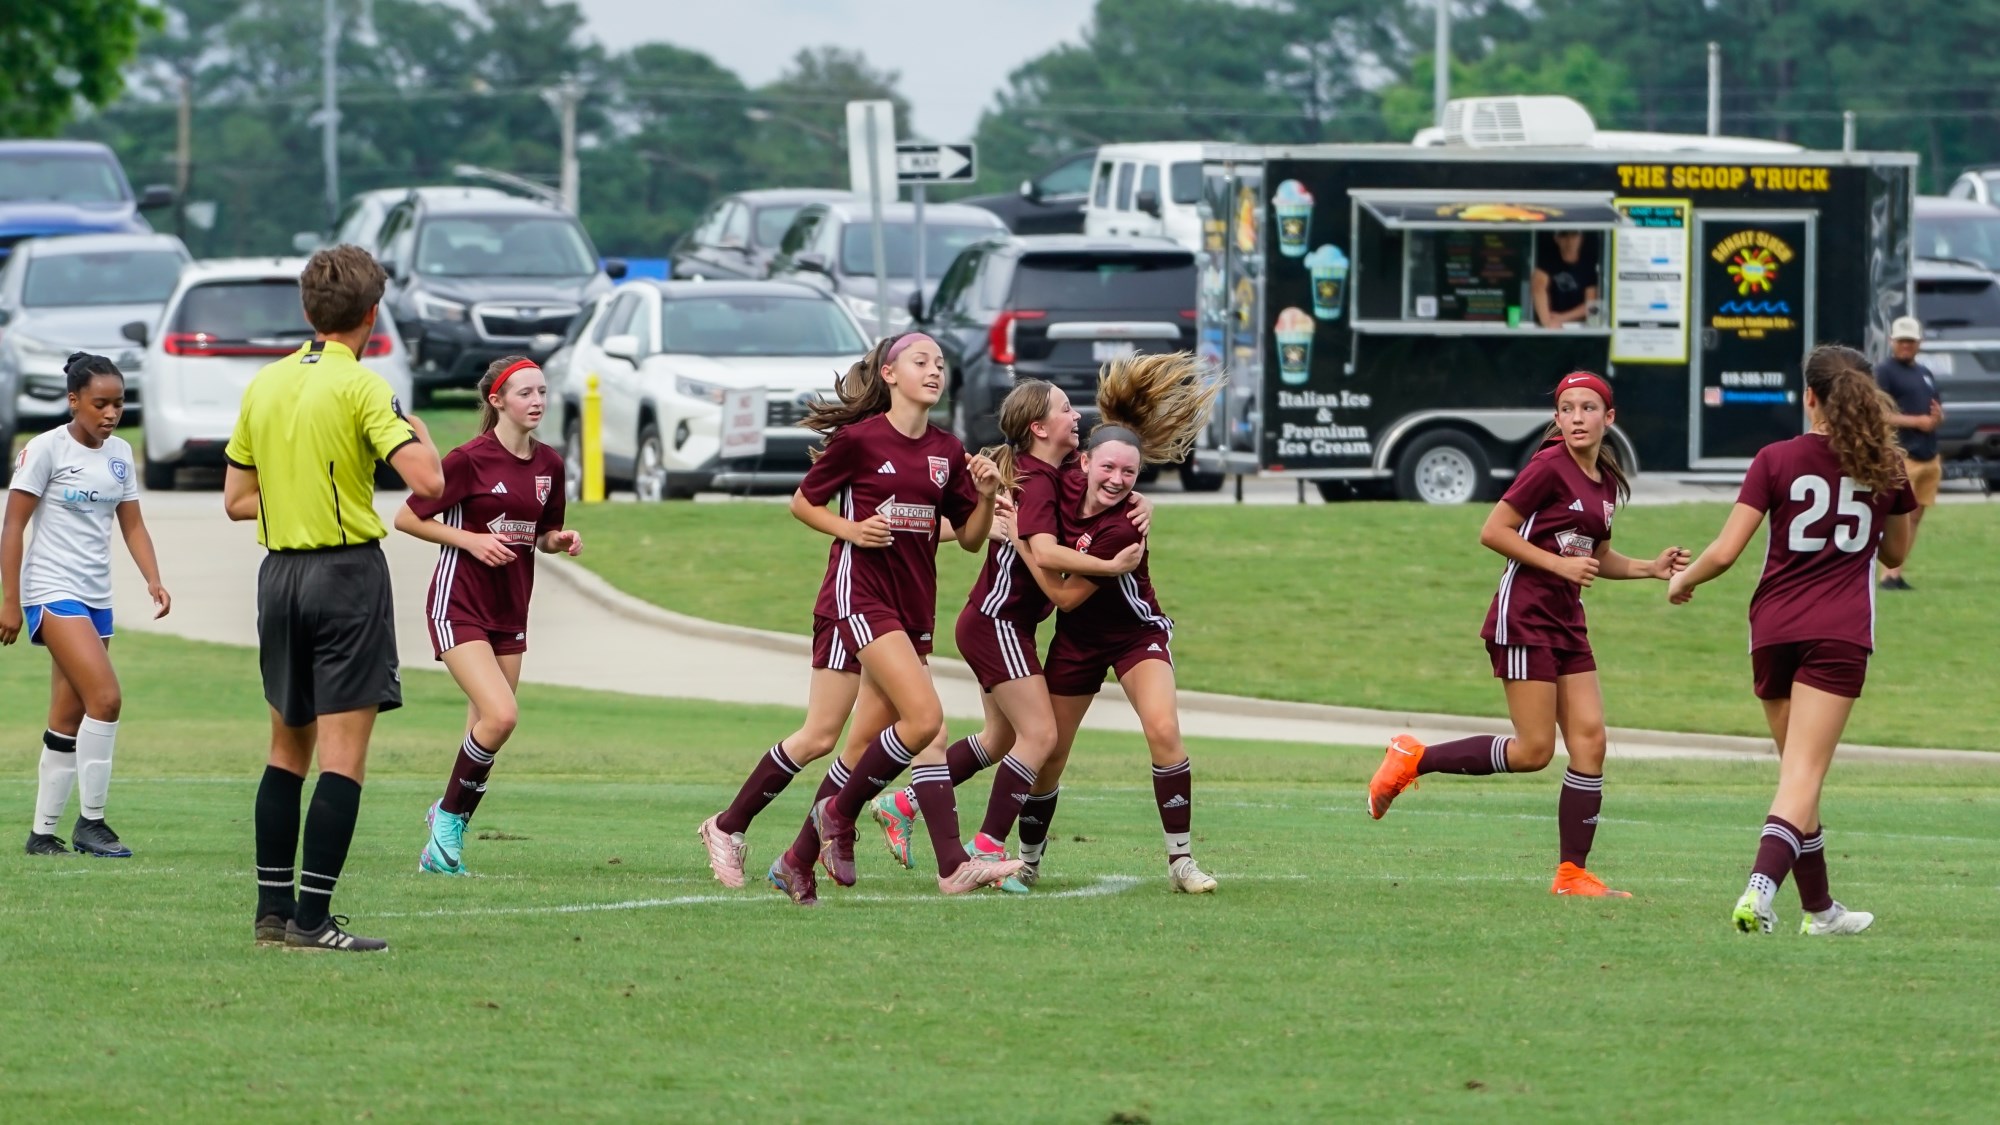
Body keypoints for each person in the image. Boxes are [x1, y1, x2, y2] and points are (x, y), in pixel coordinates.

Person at [1366, 372, 1689, 898]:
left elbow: (1597, 556)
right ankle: (1413, 758)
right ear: (1557, 419)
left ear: (1610, 419)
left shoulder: (1605, 481)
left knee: (1591, 742)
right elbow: (1493, 531)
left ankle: (1571, 874)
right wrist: (1559, 569)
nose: (1577, 417)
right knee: (1533, 751)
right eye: (1567, 408)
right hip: (1524, 617)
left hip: (1567, 621)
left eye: (1588, 408)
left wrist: (1650, 568)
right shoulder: (1548, 467)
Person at [224, 245, 445, 952]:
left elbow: (236, 500)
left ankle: (271, 911)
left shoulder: (265, 383)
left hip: (278, 576)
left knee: (286, 749)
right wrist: (419, 433)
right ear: (372, 315)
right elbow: (429, 481)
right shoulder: (364, 386)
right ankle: (313, 920)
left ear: (306, 310)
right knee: (342, 757)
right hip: (345, 574)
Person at [864, 379, 1150, 892]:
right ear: (1039, 428)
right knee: (1041, 736)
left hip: (995, 622)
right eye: (1065, 408)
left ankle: (902, 801)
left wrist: (1137, 495)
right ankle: (988, 849)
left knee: (1000, 739)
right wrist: (1107, 563)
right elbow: (1044, 554)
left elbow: (1096, 484)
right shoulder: (1037, 482)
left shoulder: (1054, 472)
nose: (1076, 414)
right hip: (997, 623)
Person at [1668, 346, 1914, 936]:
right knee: (1802, 777)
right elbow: (1897, 554)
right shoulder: (1887, 465)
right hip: (1839, 634)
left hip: (1772, 630)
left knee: (1797, 778)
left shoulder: (1774, 458)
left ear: (1809, 396)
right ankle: (1758, 892)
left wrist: (1683, 578)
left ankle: (1820, 910)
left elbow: (1726, 552)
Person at [1014, 353, 1224, 893]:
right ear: (1082, 463)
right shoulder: (1055, 483)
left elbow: (1064, 596)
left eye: (1129, 473)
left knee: (1163, 730)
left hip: (1135, 635)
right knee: (1051, 752)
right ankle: (1028, 860)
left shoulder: (1127, 526)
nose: (1117, 478)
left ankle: (1181, 863)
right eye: (1107, 467)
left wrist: (1024, 542)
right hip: (1078, 642)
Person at [395, 356, 579, 877]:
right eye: (525, 393)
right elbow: (407, 517)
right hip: (459, 605)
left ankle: (445, 827)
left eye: (542, 391)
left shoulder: (550, 465)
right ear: (497, 401)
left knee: (485, 729)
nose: (537, 401)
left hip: (510, 610)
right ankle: (448, 822)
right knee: (502, 716)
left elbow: (543, 534)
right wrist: (471, 540)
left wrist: (558, 541)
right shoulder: (467, 460)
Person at [3, 353, 169, 858]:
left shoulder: (119, 454)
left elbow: (132, 524)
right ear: (73, 401)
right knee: (107, 698)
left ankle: (40, 834)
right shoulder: (45, 451)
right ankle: (91, 824)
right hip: (52, 591)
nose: (111, 413)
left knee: (67, 715)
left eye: (118, 403)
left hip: (98, 598)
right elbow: (13, 526)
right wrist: (8, 600)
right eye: (100, 403)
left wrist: (153, 579)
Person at [1873, 316, 1942, 590]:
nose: (1905, 346)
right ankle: (1884, 573)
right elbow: (1879, 413)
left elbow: (1936, 408)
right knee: (1895, 516)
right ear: (1892, 341)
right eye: (1901, 341)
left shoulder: (1925, 373)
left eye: (1910, 341)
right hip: (1902, 455)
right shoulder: (1885, 372)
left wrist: (1937, 418)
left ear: (1918, 343)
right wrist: (1918, 422)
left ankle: (1895, 572)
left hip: (1928, 453)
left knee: (1915, 516)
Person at [1533, 230, 1599, 329]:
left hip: (1579, 327)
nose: (1569, 241)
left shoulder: (1588, 264)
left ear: (1581, 238)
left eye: (1574, 235)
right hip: (1551, 324)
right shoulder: (1549, 259)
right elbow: (1537, 286)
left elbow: (1591, 305)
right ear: (1556, 239)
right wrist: (1547, 321)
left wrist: (1561, 318)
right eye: (1564, 236)